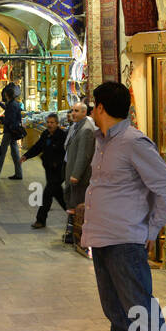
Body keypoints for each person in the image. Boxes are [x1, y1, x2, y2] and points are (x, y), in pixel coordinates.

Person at [82, 82, 166, 331]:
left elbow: (165, 184)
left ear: (100, 108)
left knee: (143, 317)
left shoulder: (132, 142)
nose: (91, 110)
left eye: (93, 105)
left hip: (126, 242)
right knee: (116, 313)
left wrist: (152, 230)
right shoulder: (103, 142)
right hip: (102, 240)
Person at [23, 113, 67, 229]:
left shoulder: (62, 136)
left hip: (58, 171)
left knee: (47, 194)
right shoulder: (46, 134)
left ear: (57, 124)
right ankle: (73, 214)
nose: (49, 124)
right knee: (59, 195)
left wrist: (56, 162)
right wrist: (26, 156)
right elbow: (38, 147)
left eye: (52, 122)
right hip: (49, 170)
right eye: (48, 122)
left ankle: (40, 220)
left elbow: (64, 154)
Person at [62, 102, 96, 245]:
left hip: (80, 176)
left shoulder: (86, 129)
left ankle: (76, 235)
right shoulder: (77, 127)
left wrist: (76, 174)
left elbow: (84, 155)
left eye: (76, 111)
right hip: (71, 170)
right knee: (71, 202)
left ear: (84, 112)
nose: (73, 113)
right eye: (73, 110)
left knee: (77, 204)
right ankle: (72, 233)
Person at [0, 86, 24, 180]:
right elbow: (9, 110)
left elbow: (10, 119)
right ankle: (19, 173)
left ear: (6, 95)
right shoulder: (15, 103)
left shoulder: (11, 105)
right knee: (15, 153)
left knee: (2, 153)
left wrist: (1, 120)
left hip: (9, 132)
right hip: (14, 131)